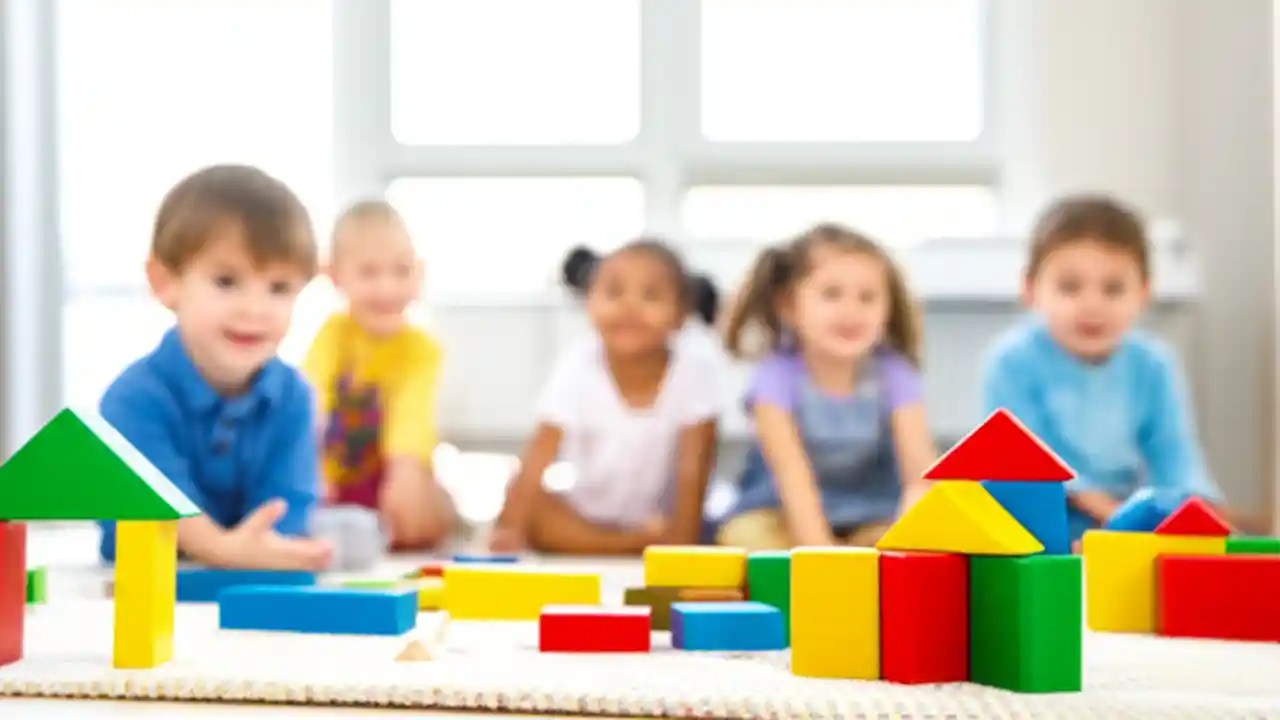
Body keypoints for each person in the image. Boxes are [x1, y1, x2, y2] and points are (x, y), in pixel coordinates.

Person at [98, 164, 331, 570]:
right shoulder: (133, 398)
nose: (254, 309)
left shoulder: (294, 396)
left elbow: (286, 506)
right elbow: (153, 507)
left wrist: (266, 545)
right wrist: (222, 549)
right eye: (226, 281)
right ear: (165, 282)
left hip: (244, 578)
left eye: (279, 288)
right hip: (149, 578)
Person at [981, 194, 1226, 543]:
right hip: (1043, 513)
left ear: (1143, 292)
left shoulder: (1153, 363)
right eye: (1069, 287)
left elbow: (1175, 454)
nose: (1092, 305)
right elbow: (1027, 462)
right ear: (1030, 288)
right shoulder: (1011, 361)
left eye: (1113, 289)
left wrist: (1192, 509)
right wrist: (1115, 519)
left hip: (1125, 509)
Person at [488, 240, 720, 554]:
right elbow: (538, 456)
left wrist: (681, 546)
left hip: (661, 519)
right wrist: (510, 529)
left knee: (715, 528)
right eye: (613, 292)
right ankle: (633, 545)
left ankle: (645, 544)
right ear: (589, 304)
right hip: (585, 516)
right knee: (535, 509)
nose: (629, 306)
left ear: (680, 315)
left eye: (650, 295)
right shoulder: (577, 366)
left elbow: (695, 470)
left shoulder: (693, 371)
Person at [715, 223, 936, 549]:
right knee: (745, 538)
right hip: (781, 512)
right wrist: (824, 559)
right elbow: (793, 480)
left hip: (871, 511)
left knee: (898, 541)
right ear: (789, 305)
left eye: (868, 297)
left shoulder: (894, 373)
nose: (851, 311)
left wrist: (908, 542)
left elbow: (920, 475)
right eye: (831, 294)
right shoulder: (775, 377)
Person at [301, 200, 455, 551]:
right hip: (333, 480)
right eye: (369, 273)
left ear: (419, 274)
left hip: (393, 476)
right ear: (334, 275)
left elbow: (412, 416)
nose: (388, 288)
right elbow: (312, 400)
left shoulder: (421, 348)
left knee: (428, 505)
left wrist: (404, 472)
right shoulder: (333, 334)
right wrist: (310, 463)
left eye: (401, 272)